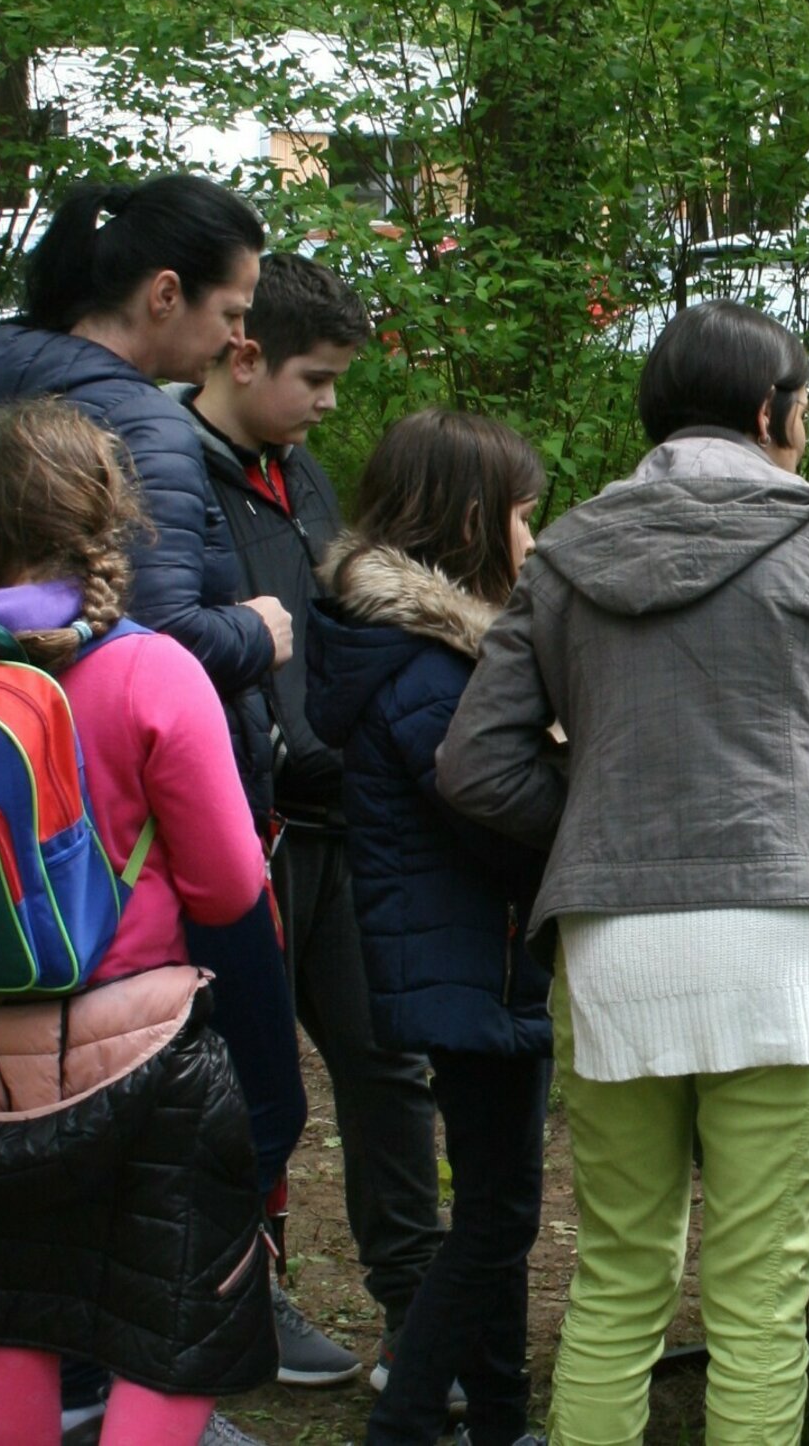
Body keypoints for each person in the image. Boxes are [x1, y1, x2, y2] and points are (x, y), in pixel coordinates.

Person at [434, 299, 809, 1444]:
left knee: (614, 1277)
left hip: (617, 939)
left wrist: (607, 811)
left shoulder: (566, 545)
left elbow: (473, 760)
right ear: (769, 409)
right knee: (758, 1300)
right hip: (789, 937)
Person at [0, 399, 291, 1446]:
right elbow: (223, 889)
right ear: (115, 517)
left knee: (8, 1312)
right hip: (132, 1054)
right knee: (178, 1318)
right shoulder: (151, 669)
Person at [179, 253, 445, 1392]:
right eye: (316, 376)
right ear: (243, 355)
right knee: (241, 1082)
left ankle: (420, 1309)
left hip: (338, 823)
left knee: (389, 1064)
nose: (331, 400)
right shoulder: (169, 474)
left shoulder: (301, 472)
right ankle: (242, 1299)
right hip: (237, 833)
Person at [306, 409, 553, 1446]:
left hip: (459, 954)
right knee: (497, 1216)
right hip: (468, 955)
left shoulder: (411, 649)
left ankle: (500, 1419)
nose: (531, 539)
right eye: (519, 516)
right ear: (466, 521)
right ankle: (405, 1423)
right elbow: (493, 820)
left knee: (498, 1204)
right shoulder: (428, 668)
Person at [0, 172, 288, 825]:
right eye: (232, 313)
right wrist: (258, 631)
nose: (239, 339)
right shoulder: (146, 426)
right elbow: (159, 635)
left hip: (17, 754)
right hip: (131, 800)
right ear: (166, 294)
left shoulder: (6, 388)